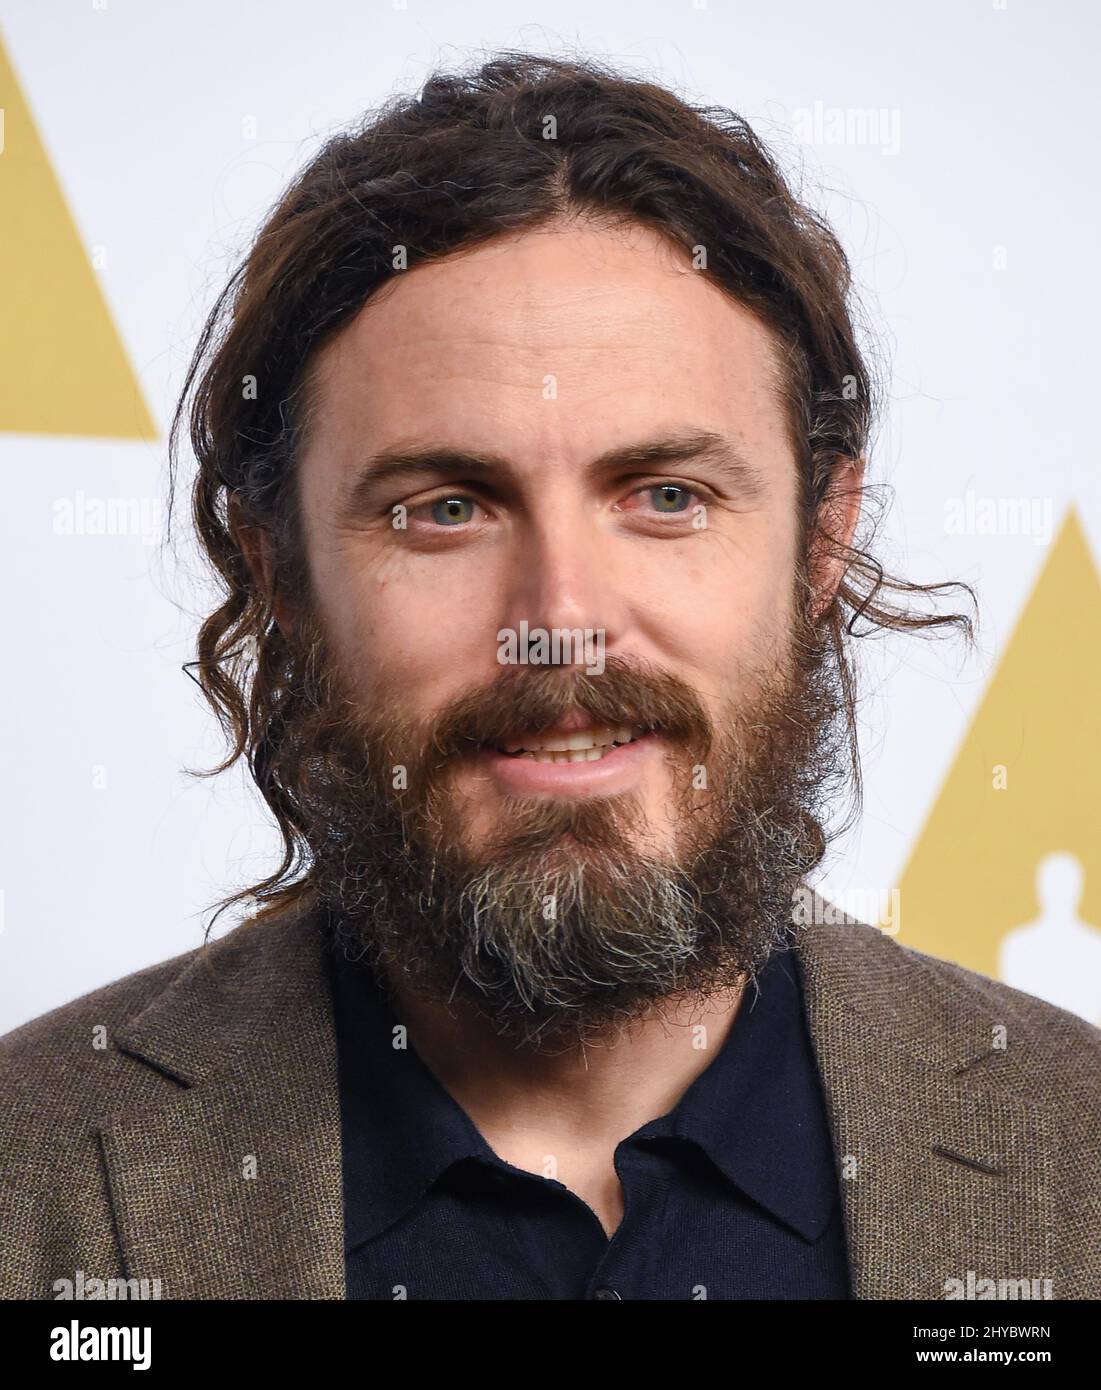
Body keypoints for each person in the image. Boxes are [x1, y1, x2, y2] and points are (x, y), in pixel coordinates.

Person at [2, 52, 1097, 1301]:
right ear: (282, 575)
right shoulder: (27, 1177)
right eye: (447, 509)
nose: (560, 625)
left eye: (667, 497)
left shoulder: (1079, 1159)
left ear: (822, 541)